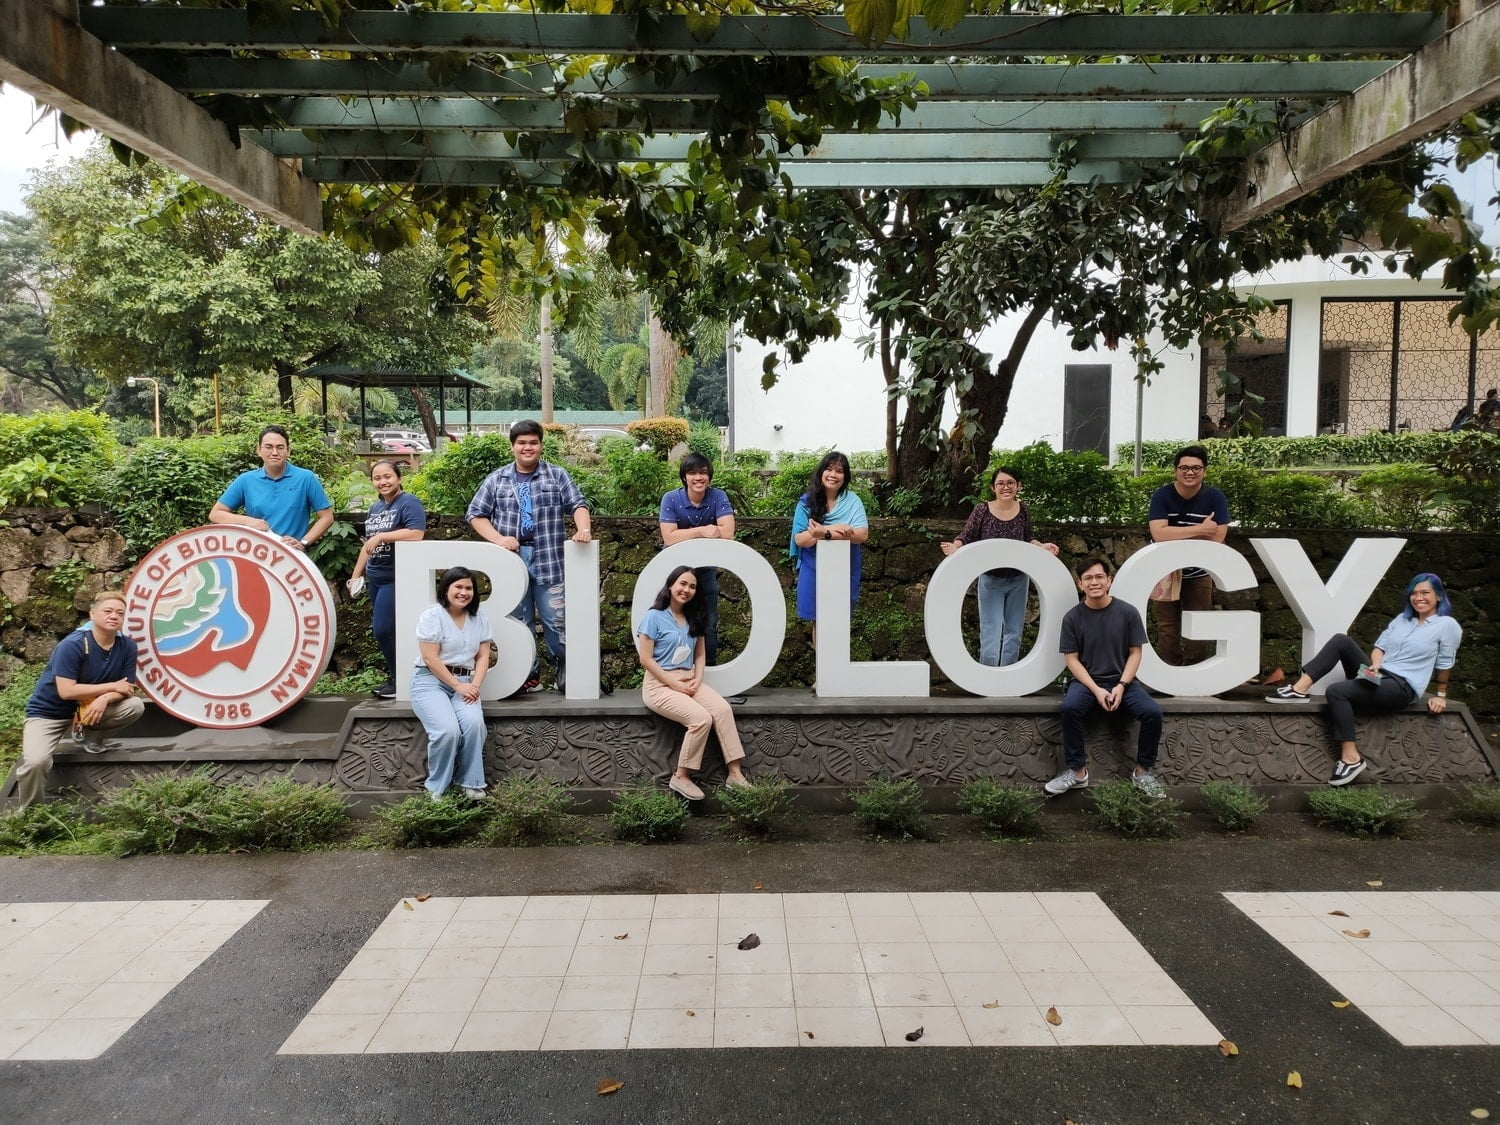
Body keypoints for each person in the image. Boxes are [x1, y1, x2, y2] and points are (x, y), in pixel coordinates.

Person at [1267, 572, 1461, 787]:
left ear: (1439, 596)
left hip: (1401, 686)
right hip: (1379, 675)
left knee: (1336, 691)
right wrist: (1375, 665)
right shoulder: (1402, 620)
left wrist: (1441, 695)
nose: (1418, 597)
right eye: (1414, 593)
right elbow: (1380, 648)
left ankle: (1351, 759)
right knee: (1341, 640)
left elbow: (1445, 663)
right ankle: (1299, 689)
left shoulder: (1447, 625)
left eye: (1425, 593)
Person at [466, 419, 591, 693]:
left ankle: (565, 671)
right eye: (521, 442)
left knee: (556, 620)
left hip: (549, 559)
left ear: (541, 445)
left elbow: (578, 504)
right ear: (512, 446)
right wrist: (499, 539)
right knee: (519, 621)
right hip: (511, 561)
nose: (527, 447)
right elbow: (475, 514)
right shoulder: (497, 479)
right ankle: (527, 676)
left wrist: (584, 529)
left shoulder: (556, 475)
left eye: (533, 442)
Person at [1045, 558, 1165, 799]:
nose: (1094, 582)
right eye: (1088, 578)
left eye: (1099, 577)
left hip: (1124, 682)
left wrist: (1122, 685)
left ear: (1109, 580)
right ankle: (1077, 772)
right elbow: (1072, 660)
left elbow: (1135, 653)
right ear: (1080, 584)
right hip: (1087, 682)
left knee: (1152, 713)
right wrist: (1096, 689)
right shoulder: (1072, 617)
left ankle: (1142, 772)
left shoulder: (1127, 612)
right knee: (1070, 708)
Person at [13, 591, 145, 808]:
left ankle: (89, 738)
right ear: (92, 614)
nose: (114, 616)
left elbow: (126, 688)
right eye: (108, 611)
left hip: (89, 710)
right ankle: (31, 813)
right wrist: (111, 687)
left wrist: (104, 699)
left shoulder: (127, 646)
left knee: (134, 706)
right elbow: (67, 691)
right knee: (37, 762)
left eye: (120, 613)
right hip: (49, 713)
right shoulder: (72, 645)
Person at [636, 565, 750, 801]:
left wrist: (697, 680)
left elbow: (699, 655)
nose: (686, 590)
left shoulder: (695, 617)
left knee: (722, 709)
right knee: (701, 719)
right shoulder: (653, 617)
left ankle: (735, 774)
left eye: (692, 586)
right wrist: (675, 685)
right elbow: (646, 660)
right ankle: (681, 776)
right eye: (682, 583)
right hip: (659, 685)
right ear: (671, 585)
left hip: (689, 680)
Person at [941, 465, 1060, 667]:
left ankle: (1008, 675)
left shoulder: (1023, 509)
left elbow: (1027, 538)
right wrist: (955, 546)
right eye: (1001, 483)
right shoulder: (982, 510)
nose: (1006, 487)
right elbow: (967, 536)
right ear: (993, 487)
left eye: (1010, 483)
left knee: (1014, 633)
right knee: (991, 632)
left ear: (1018, 486)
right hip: (991, 581)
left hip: (1018, 580)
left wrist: (1041, 546)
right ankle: (988, 678)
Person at [411, 567, 493, 800]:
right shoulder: (433, 616)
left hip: (466, 682)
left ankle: (470, 783)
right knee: (447, 731)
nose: (464, 592)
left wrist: (474, 685)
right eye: (458, 586)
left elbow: (483, 656)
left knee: (475, 725)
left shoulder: (479, 618)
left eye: (469, 588)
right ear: (446, 588)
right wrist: (458, 686)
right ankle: (436, 788)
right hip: (430, 681)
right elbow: (430, 658)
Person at [348, 460, 427, 699]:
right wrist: (356, 575)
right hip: (375, 576)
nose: (383, 482)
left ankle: (400, 678)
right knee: (388, 630)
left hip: (396, 576)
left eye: (388, 476)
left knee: (382, 629)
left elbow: (416, 533)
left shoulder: (408, 502)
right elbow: (368, 546)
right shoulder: (375, 508)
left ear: (399, 478)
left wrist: (382, 536)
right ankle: (397, 678)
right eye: (377, 478)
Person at [1147, 443, 1230, 667]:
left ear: (1204, 471)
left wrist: (1174, 533)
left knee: (1200, 623)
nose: (1190, 472)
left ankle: (1194, 669)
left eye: (1196, 468)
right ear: (1175, 470)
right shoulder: (1162, 495)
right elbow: (1158, 534)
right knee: (1167, 625)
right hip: (1165, 570)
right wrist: (1200, 529)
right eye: (1184, 467)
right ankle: (1171, 669)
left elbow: (1217, 537)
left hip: (1199, 571)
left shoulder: (1215, 497)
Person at [658, 452, 735, 666]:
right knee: (672, 622)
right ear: (684, 477)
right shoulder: (671, 498)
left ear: (709, 476)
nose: (698, 477)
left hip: (705, 569)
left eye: (703, 473)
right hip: (674, 570)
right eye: (692, 473)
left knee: (708, 624)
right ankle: (673, 671)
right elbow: (669, 537)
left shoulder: (718, 496)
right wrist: (703, 530)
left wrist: (685, 533)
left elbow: (728, 532)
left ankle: (708, 671)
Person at [210, 425, 334, 551]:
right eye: (268, 447)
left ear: (288, 451)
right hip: (256, 554)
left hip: (292, 555)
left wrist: (303, 542)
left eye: (280, 447)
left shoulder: (306, 478)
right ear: (259, 450)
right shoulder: (246, 480)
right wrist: (247, 521)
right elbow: (215, 514)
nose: (274, 452)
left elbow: (327, 517)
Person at [790, 451, 869, 635]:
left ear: (845, 477)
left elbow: (861, 534)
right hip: (813, 566)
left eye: (839, 471)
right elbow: (800, 539)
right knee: (818, 620)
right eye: (829, 469)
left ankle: (838, 655)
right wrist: (835, 529)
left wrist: (823, 532)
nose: (833, 475)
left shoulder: (853, 501)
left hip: (845, 566)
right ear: (821, 472)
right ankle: (820, 655)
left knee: (840, 618)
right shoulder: (806, 501)